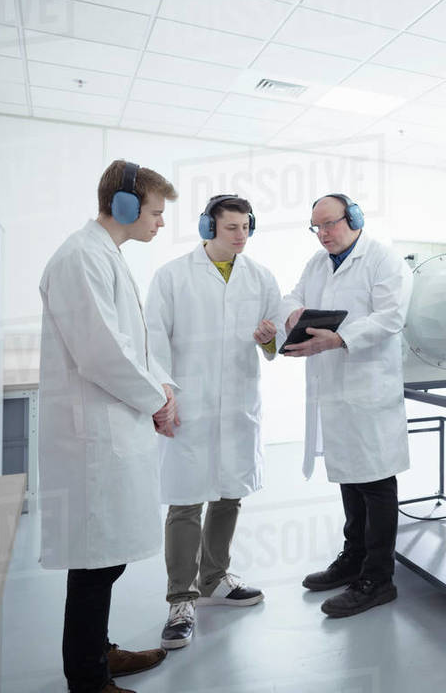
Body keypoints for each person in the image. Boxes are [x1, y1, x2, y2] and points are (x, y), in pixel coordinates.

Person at [38, 160, 180, 693]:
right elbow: (102, 354)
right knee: (95, 564)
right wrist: (157, 402)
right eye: (156, 212)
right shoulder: (81, 257)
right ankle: (89, 677)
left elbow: (132, 343)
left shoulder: (104, 255)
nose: (161, 222)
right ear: (124, 206)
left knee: (105, 560)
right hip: (93, 439)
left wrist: (161, 386)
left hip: (115, 427)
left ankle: (97, 652)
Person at [145, 195, 281, 650]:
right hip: (190, 404)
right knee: (185, 502)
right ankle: (180, 600)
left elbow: (275, 339)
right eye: (231, 228)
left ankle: (214, 579)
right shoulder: (172, 276)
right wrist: (164, 395)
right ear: (208, 228)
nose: (241, 236)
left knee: (228, 495)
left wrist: (268, 339)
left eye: (246, 227)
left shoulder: (260, 277)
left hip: (238, 405)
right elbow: (153, 341)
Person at [279, 193, 412, 618]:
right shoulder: (318, 264)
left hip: (369, 389)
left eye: (330, 224)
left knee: (375, 483)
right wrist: (292, 314)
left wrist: (339, 338)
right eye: (316, 227)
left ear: (354, 218)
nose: (323, 234)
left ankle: (379, 579)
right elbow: (291, 297)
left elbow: (391, 317)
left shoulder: (384, 260)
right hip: (334, 388)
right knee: (350, 480)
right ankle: (353, 559)